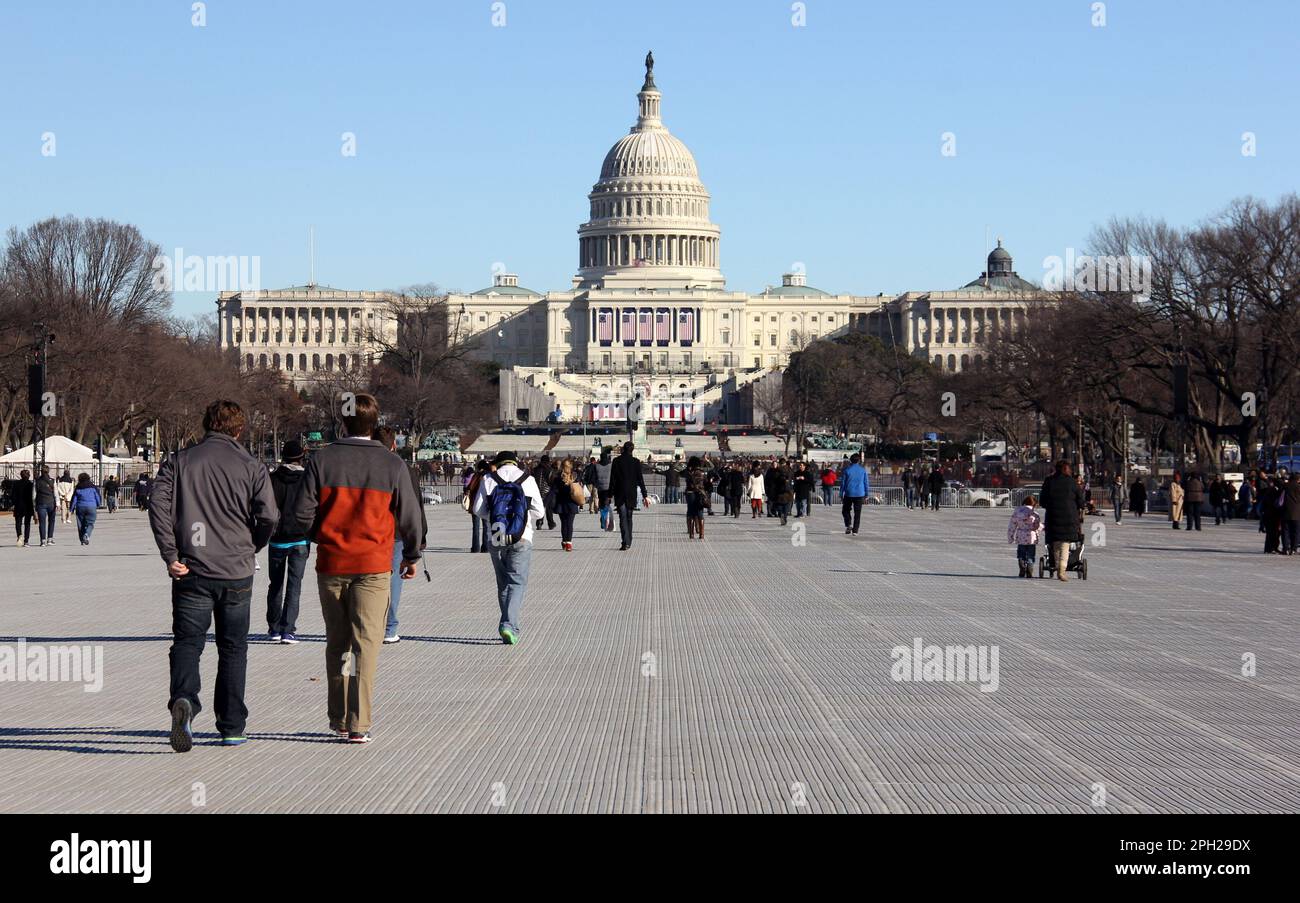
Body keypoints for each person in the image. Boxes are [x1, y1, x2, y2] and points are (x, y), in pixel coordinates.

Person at [286, 394, 422, 744]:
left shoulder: (322, 459)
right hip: (373, 564)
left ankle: (339, 717)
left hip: (332, 562)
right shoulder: (392, 464)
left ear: (342, 423)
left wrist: (323, 535)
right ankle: (359, 722)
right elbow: (410, 516)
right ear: (374, 424)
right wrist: (411, 554)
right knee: (366, 644)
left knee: (338, 643)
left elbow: (301, 514)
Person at [149, 400, 279, 752]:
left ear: (206, 425)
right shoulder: (252, 465)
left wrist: (170, 554)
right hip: (235, 569)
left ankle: (185, 699)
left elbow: (157, 505)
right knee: (233, 648)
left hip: (191, 566)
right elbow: (268, 515)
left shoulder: (178, 461)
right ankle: (232, 725)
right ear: (239, 430)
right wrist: (253, 544)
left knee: (188, 642)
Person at [472, 450, 546, 644]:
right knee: (517, 582)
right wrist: (521, 519)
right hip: (522, 536)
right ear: (515, 462)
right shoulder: (527, 479)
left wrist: (497, 520)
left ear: (499, 462)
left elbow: (478, 509)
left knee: (503, 582)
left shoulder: (489, 478)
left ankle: (508, 623)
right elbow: (539, 511)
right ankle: (508, 624)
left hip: (496, 535)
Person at [374, 427, 428, 644]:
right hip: (396, 531)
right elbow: (415, 504)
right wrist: (420, 536)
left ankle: (371, 624)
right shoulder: (403, 467)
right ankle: (389, 627)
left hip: (372, 529)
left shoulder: (368, 466)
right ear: (394, 445)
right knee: (394, 579)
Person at [266, 440, 311, 644]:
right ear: (301, 457)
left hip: (276, 538)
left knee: (275, 584)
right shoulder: (306, 479)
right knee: (295, 585)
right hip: (300, 538)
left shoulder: (272, 478)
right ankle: (288, 629)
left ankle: (274, 627)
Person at [1040, 461, 1084, 582]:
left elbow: (1042, 501)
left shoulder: (1049, 481)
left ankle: (1057, 566)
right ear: (1066, 470)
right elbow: (1081, 501)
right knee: (1065, 544)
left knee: (1055, 544)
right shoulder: (1072, 482)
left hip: (1053, 516)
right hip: (1070, 517)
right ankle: (1062, 570)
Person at [609, 442, 649, 550]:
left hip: (620, 493)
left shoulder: (616, 461)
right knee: (629, 517)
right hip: (631, 494)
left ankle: (625, 541)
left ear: (623, 449)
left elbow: (613, 480)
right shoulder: (635, 462)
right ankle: (629, 540)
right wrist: (645, 495)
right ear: (632, 450)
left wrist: (609, 495)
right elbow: (640, 479)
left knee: (622, 517)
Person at [1006, 494, 1043, 578]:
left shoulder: (1017, 512)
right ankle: (1030, 567)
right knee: (1030, 554)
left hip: (1021, 536)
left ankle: (1022, 565)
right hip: (1031, 537)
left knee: (1021, 553)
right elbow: (1037, 526)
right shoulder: (1035, 514)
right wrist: (1043, 527)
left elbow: (1012, 526)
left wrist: (1010, 537)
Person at [551, 456, 583, 551]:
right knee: (569, 523)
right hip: (572, 503)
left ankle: (565, 541)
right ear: (571, 466)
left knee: (564, 523)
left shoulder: (557, 477)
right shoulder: (575, 476)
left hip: (561, 503)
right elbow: (578, 488)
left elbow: (554, 490)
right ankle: (568, 542)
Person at [465, 460, 492, 553]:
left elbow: (470, 487)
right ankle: (486, 547)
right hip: (486, 504)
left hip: (475, 504)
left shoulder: (477, 475)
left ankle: (475, 547)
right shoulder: (490, 476)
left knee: (476, 527)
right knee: (486, 526)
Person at [839, 453, 869, 535]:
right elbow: (866, 483)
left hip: (849, 493)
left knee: (845, 510)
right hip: (860, 493)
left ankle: (848, 524)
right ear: (859, 460)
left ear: (850, 461)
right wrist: (867, 494)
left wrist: (841, 494)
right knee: (857, 513)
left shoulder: (847, 470)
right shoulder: (863, 470)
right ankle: (855, 530)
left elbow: (843, 483)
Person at [71, 473, 102, 545]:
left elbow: (74, 499)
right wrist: (98, 504)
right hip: (91, 506)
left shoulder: (78, 487)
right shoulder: (93, 486)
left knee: (80, 524)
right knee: (90, 523)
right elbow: (97, 496)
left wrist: (71, 509)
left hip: (80, 507)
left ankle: (82, 539)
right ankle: (87, 534)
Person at [684, 457, 707, 539]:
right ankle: (701, 534)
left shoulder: (688, 472)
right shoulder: (702, 472)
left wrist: (679, 461)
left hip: (690, 493)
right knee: (700, 513)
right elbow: (706, 482)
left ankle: (691, 534)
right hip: (700, 493)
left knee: (690, 512)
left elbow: (677, 469)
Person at [34, 466, 57, 546]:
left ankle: (42, 540)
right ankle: (50, 539)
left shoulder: (37, 481)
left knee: (42, 522)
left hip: (41, 503)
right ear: (48, 471)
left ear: (41, 471)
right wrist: (58, 503)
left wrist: (34, 504)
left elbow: (34, 494)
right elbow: (56, 493)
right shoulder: (52, 481)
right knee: (51, 521)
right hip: (51, 502)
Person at [11, 469, 34, 547]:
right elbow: (33, 497)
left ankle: (19, 536)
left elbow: (12, 496)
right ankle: (26, 541)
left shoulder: (16, 484)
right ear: (29, 476)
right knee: (27, 524)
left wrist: (14, 503)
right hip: (28, 506)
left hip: (18, 506)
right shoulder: (31, 484)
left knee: (18, 523)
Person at [595, 447, 614, 531]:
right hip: (609, 488)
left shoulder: (596, 466)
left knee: (602, 504)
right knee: (607, 503)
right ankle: (606, 519)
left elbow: (594, 477)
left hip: (600, 488)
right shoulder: (611, 465)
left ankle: (603, 518)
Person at [1282, 473, 1300, 556]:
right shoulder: (1298, 487)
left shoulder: (1285, 486)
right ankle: (1293, 549)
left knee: (1285, 531)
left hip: (1285, 511)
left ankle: (1285, 548)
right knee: (1296, 532)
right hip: (1296, 513)